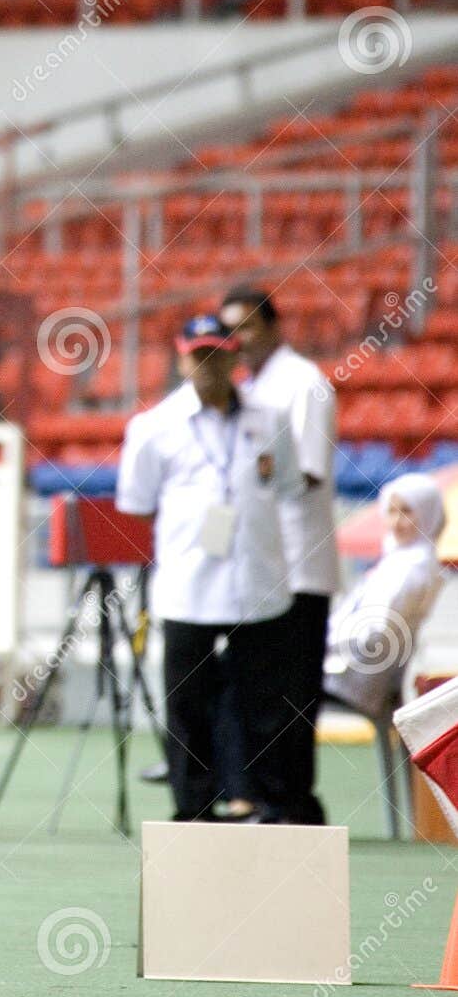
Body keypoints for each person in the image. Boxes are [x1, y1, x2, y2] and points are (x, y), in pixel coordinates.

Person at [117, 313, 300, 822]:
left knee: (266, 707)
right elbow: (136, 500)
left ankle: (270, 806)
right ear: (182, 359)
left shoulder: (271, 417)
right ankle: (193, 811)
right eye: (198, 355)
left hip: (258, 583)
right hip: (187, 587)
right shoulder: (153, 427)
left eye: (218, 354)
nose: (209, 366)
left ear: (235, 356)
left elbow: (285, 484)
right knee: (188, 708)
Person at [219, 287, 339, 823]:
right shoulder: (247, 392)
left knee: (290, 695)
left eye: (245, 327)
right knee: (254, 688)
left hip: (299, 564)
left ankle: (293, 802)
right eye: (229, 329)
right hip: (259, 565)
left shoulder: (303, 385)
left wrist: (249, 478)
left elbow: (306, 472)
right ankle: (257, 792)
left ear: (273, 325)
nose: (236, 340)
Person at [323, 472, 445, 719]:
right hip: (367, 674)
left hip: (354, 678)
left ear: (427, 513)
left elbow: (375, 630)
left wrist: (322, 642)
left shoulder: (411, 568)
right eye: (391, 511)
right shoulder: (406, 561)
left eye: (407, 511)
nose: (396, 521)